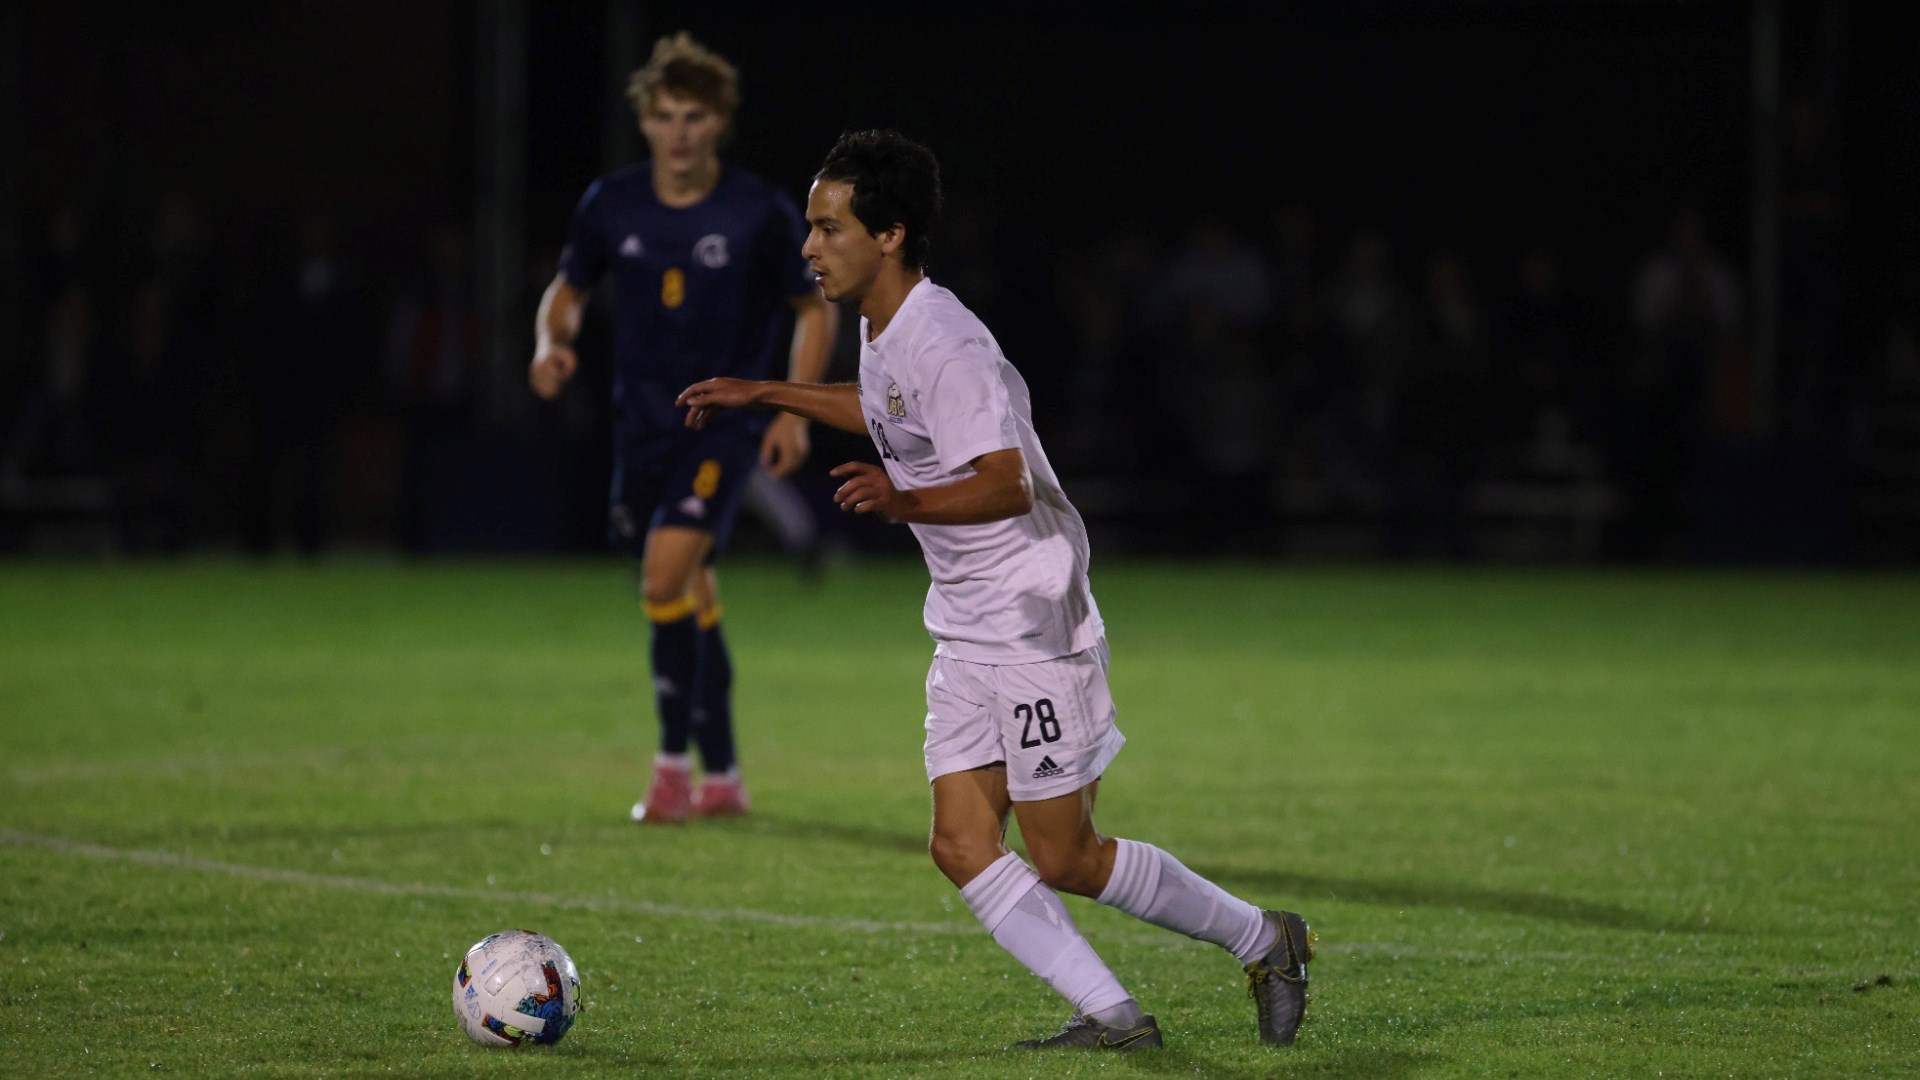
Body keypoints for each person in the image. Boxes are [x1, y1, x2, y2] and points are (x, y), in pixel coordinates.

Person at [676, 129, 1314, 1051]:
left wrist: (903, 500)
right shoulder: (884, 325)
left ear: (889, 234)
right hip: (969, 624)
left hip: (1029, 617)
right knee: (961, 843)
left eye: (828, 227)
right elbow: (883, 405)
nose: (810, 247)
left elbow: (1006, 480)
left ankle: (1266, 938)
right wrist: (766, 391)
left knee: (1068, 857)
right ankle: (1113, 1016)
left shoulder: (948, 339)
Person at [529, 33, 837, 823]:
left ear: (721, 121)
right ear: (646, 122)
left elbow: (812, 308)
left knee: (662, 580)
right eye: (665, 116)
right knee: (690, 592)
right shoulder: (612, 202)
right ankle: (725, 775)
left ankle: (670, 770)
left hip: (722, 428)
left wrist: (792, 410)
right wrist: (550, 345)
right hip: (642, 431)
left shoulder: (758, 210)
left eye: (695, 116)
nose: (679, 132)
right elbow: (568, 290)